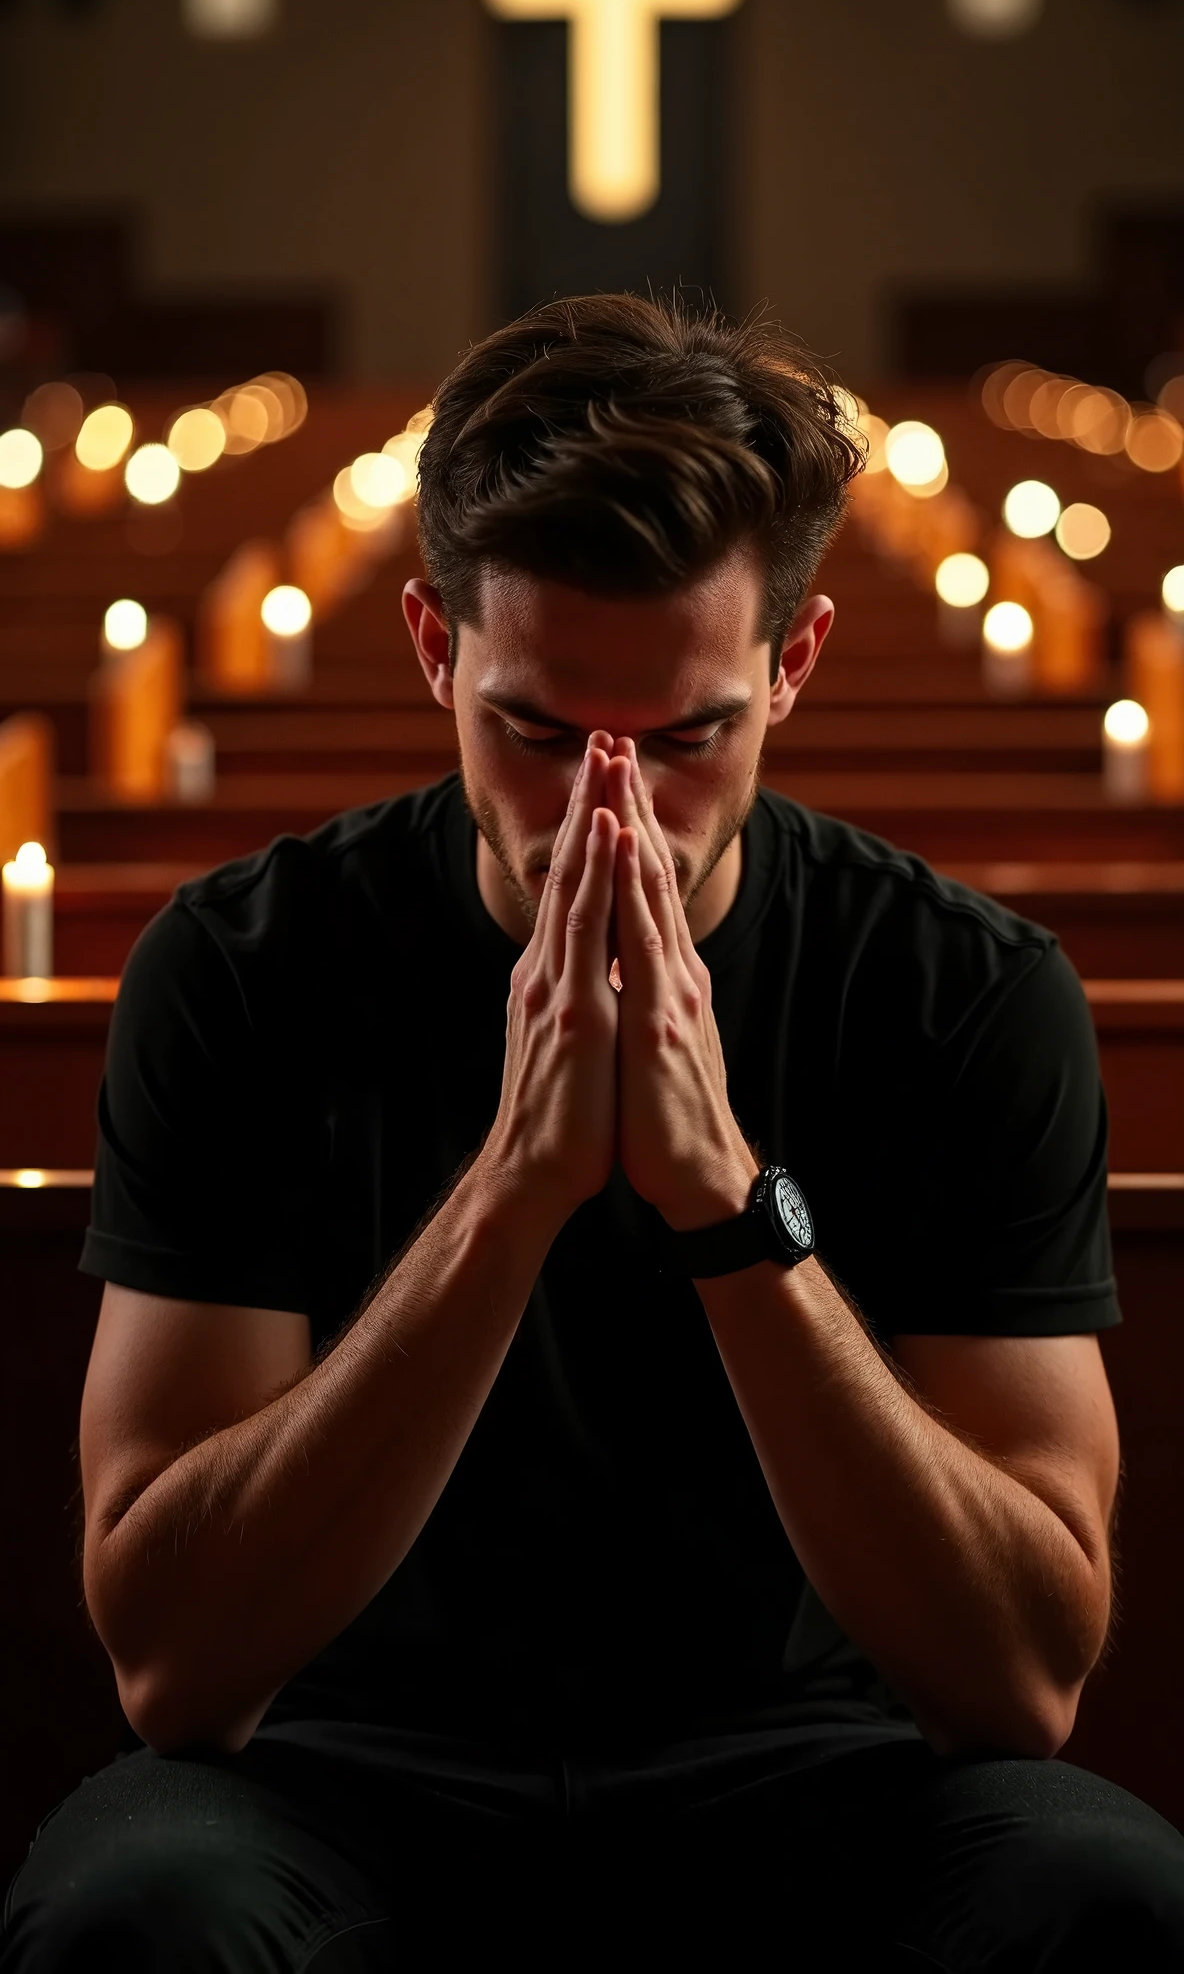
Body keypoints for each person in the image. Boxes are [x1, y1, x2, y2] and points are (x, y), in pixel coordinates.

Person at [5, 292, 1184, 1972]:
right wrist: (512, 1190)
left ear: (797, 663)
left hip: (817, 1772)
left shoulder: (968, 993)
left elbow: (1021, 1683)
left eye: (692, 736)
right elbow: (174, 1669)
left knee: (1112, 1895)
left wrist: (727, 1207)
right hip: (337, 1771)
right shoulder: (240, 967)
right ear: (434, 649)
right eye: (535, 729)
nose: (603, 813)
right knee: (133, 1912)